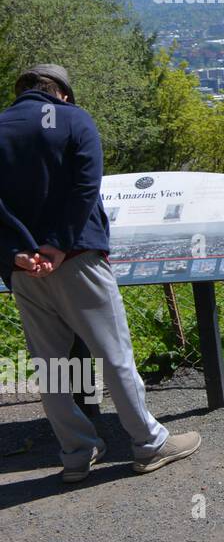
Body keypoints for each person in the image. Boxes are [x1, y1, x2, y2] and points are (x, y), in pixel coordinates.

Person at [0, 64, 202, 482]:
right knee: (114, 354)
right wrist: (58, 244)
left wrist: (18, 252)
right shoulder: (74, 119)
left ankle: (75, 453)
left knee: (52, 366)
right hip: (77, 259)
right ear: (63, 94)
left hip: (24, 271)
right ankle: (149, 443)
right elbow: (86, 186)